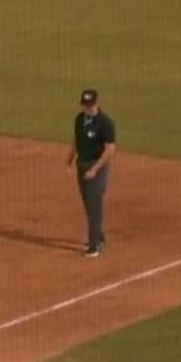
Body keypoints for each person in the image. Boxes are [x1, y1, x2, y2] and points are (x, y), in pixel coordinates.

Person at [68, 88, 117, 257]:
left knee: (94, 204)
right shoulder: (79, 119)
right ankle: (99, 237)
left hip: (97, 167)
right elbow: (77, 140)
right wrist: (69, 158)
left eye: (90, 105)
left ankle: (94, 246)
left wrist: (95, 169)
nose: (88, 108)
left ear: (96, 103)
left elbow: (110, 149)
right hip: (81, 164)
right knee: (88, 204)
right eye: (85, 105)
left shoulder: (105, 123)